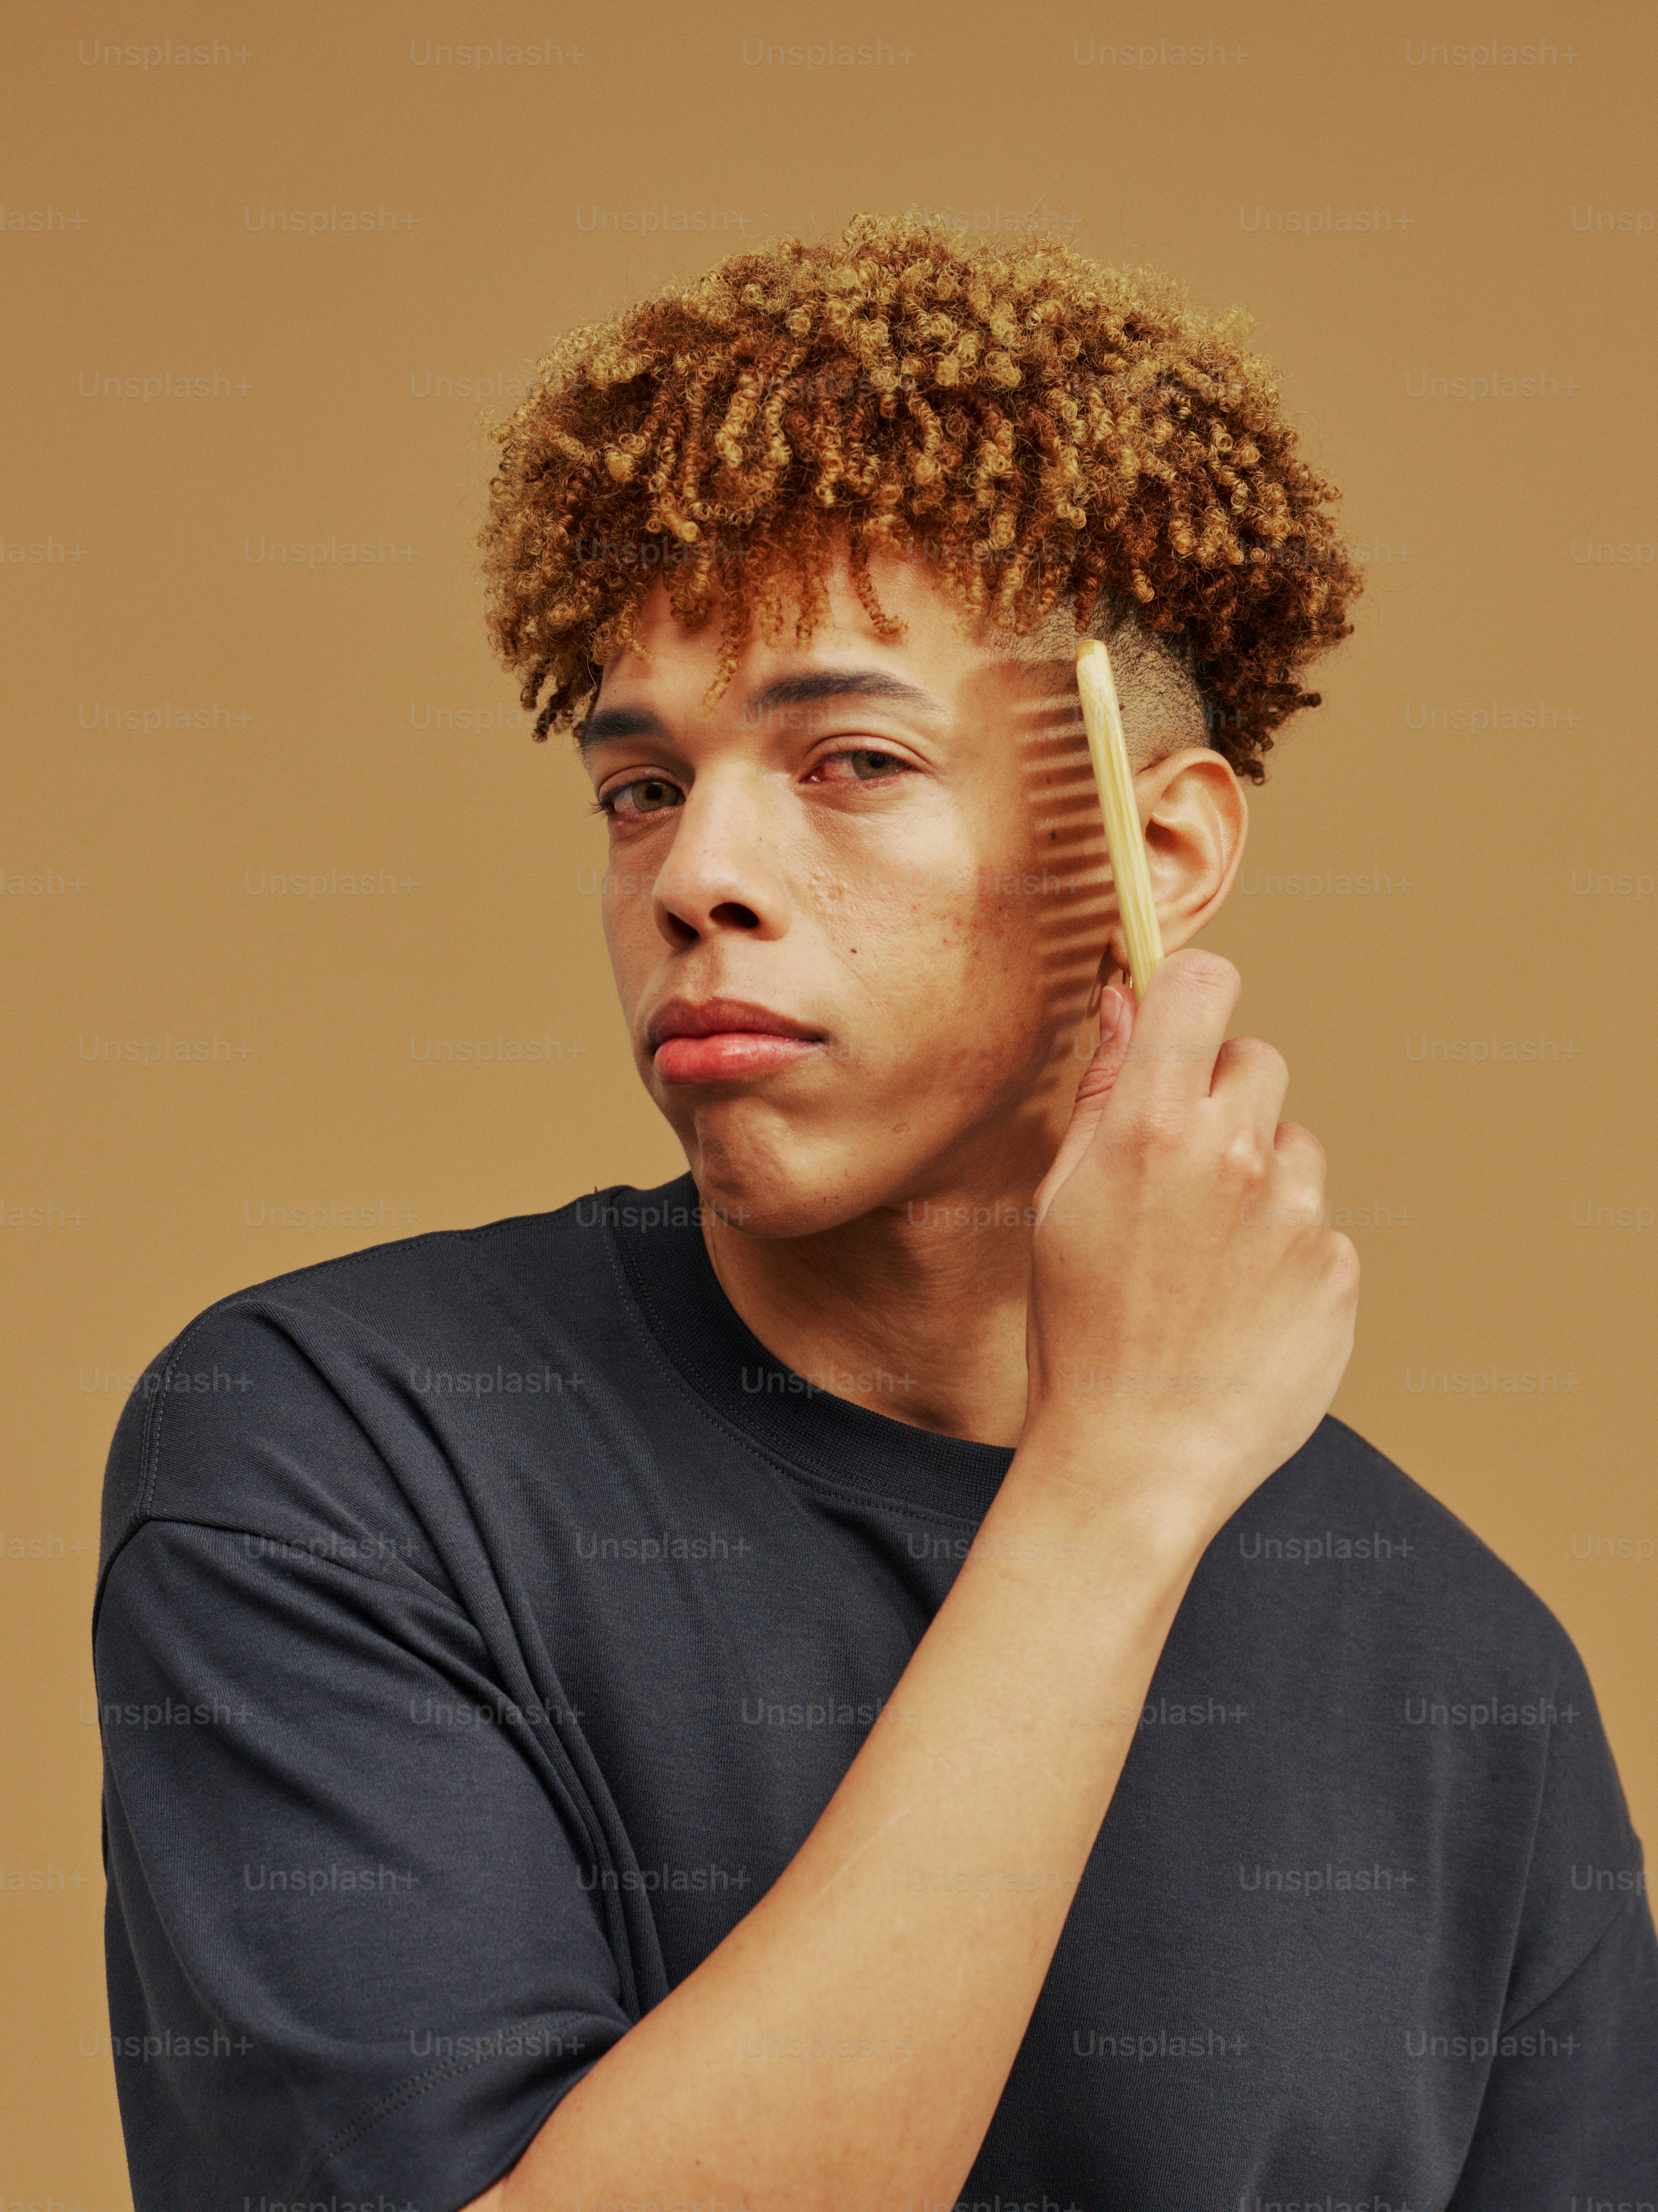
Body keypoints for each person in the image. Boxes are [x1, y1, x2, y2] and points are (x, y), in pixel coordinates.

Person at [93, 215, 1657, 2212]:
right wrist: (1107, 1503)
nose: (696, 877)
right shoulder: (334, 1454)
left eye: (849, 762)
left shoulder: (1466, 1672)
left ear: (1153, 846)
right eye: (641, 787)